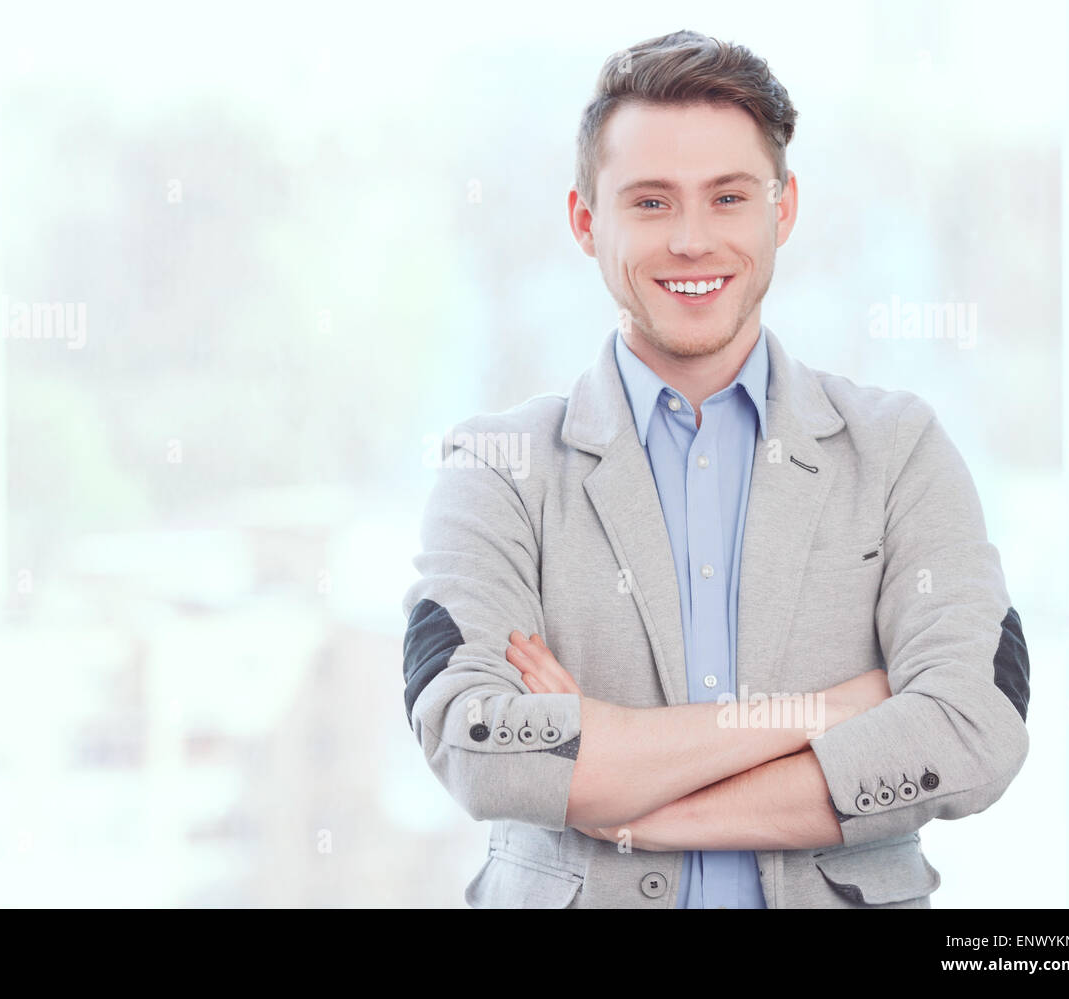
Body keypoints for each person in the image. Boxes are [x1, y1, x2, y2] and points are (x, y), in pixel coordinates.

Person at [400, 28, 1030, 908]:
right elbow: (474, 745)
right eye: (650, 203)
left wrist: (628, 789)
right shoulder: (496, 468)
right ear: (587, 221)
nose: (692, 241)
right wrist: (837, 709)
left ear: (784, 207)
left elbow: (972, 729)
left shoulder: (898, 450)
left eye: (728, 197)